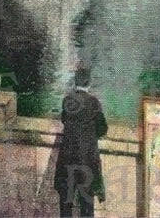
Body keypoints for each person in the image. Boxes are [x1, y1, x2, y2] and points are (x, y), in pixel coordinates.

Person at [54, 64, 108, 217]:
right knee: (86, 207)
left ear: (75, 82)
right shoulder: (93, 103)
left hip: (67, 160)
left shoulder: (67, 100)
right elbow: (103, 128)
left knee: (65, 207)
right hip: (86, 162)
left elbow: (65, 120)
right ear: (89, 83)